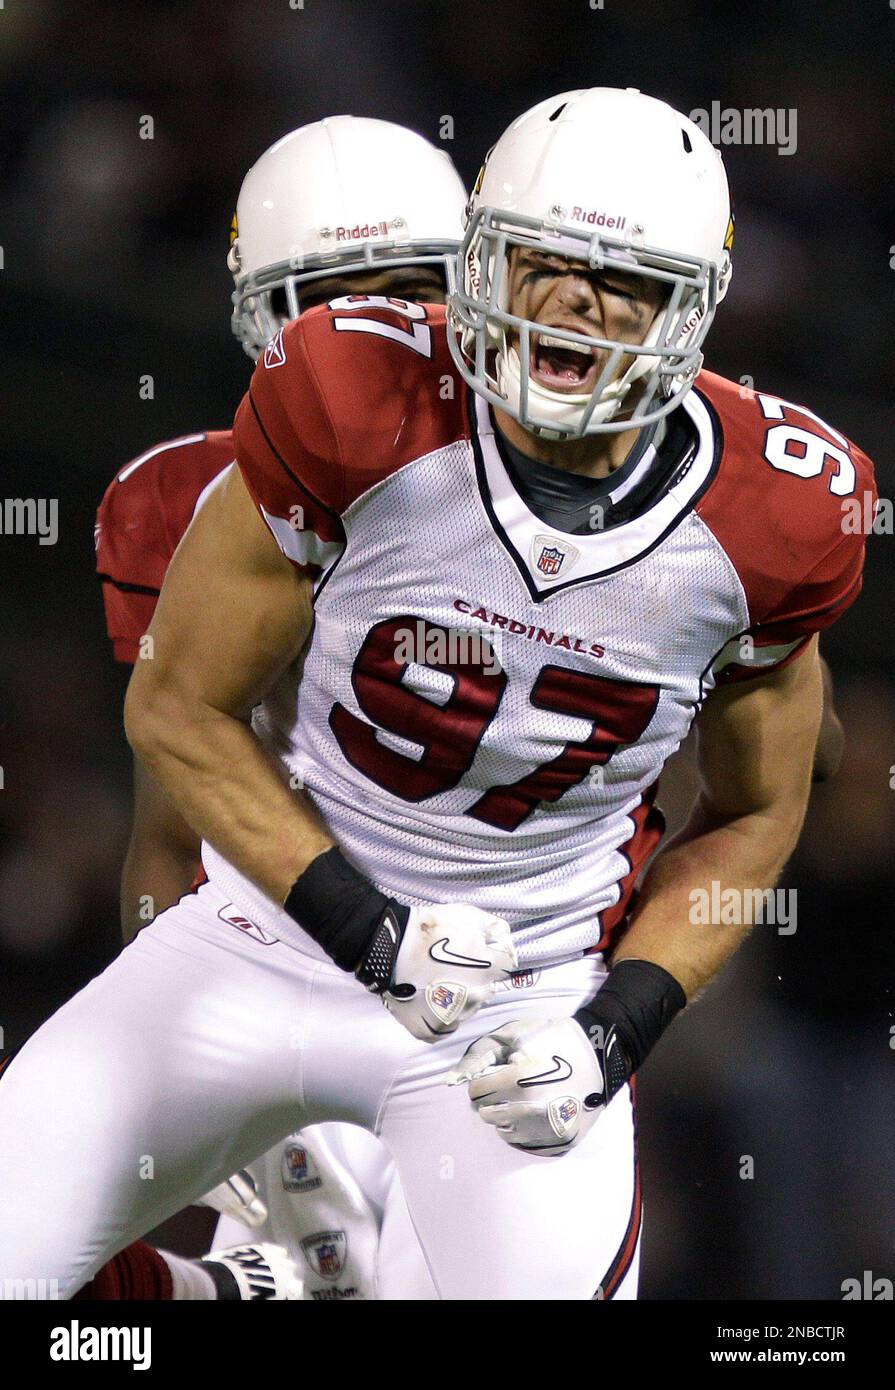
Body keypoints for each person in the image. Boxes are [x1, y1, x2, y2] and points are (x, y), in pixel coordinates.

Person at [0, 88, 875, 1301]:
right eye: (545, 263)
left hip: (514, 1001)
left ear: (694, 312)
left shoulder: (773, 515)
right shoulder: (344, 413)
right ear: (484, 262)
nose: (575, 301)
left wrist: (612, 1029)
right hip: (265, 930)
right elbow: (177, 729)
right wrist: (372, 933)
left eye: (622, 279)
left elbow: (770, 796)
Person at [86, 116, 465, 1303]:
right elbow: (168, 830)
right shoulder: (187, 500)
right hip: (286, 957)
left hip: (502, 968)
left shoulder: (557, 496)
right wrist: (185, 1019)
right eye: (335, 301)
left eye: (413, 294)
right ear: (264, 320)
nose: (374, 331)